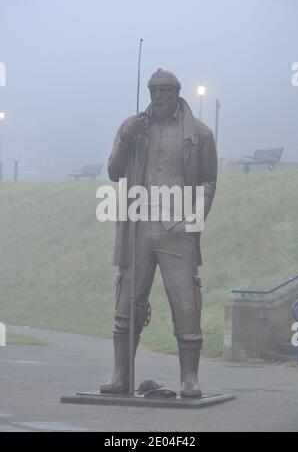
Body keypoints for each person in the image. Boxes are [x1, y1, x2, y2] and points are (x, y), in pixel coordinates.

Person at [101, 69, 217, 397]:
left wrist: (192, 217)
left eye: (164, 91)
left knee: (186, 303)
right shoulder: (134, 129)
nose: (157, 97)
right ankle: (121, 375)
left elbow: (209, 180)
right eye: (153, 91)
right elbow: (113, 171)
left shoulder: (199, 133)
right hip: (138, 226)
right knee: (126, 302)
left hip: (177, 231)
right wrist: (125, 135)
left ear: (177, 93)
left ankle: (190, 379)